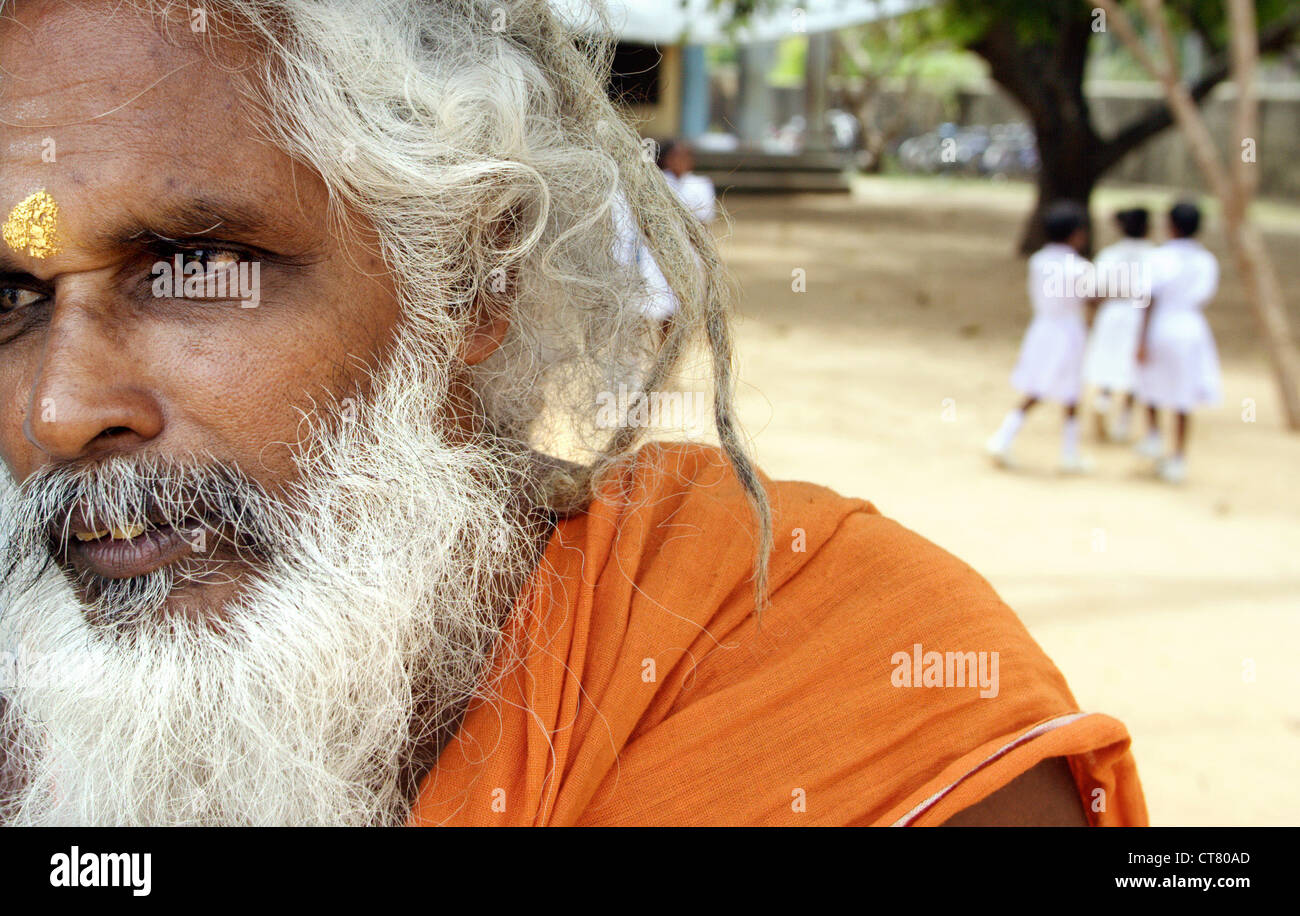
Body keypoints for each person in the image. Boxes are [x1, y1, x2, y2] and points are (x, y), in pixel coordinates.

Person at [0, 0, 1145, 826]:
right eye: (11, 295)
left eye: (195, 266)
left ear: (470, 271)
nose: (60, 410)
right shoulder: (29, 710)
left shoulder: (836, 673)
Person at [986, 201, 1097, 473]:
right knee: (1064, 391)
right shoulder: (1079, 268)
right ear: (1077, 234)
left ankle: (1015, 439)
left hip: (1043, 327)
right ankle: (1008, 439)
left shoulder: (1038, 261)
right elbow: (1092, 299)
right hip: (1068, 330)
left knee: (1047, 388)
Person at [1133, 202, 1223, 484]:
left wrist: (1141, 339)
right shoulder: (1207, 261)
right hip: (1191, 327)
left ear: (1170, 225)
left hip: (1161, 325)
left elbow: (1149, 298)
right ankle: (1178, 456)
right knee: (1183, 392)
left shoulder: (1157, 258)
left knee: (1151, 382)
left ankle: (1154, 436)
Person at [1082, 208, 1154, 442]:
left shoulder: (1109, 255)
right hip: (1140, 314)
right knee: (1133, 365)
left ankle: (1103, 399)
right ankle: (1124, 420)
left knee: (1108, 359)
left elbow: (1092, 292)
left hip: (1112, 312)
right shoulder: (1155, 256)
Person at [657, 138, 717, 225]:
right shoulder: (658, 180)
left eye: (684, 157)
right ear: (666, 159)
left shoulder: (702, 183)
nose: (679, 161)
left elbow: (706, 216)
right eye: (675, 156)